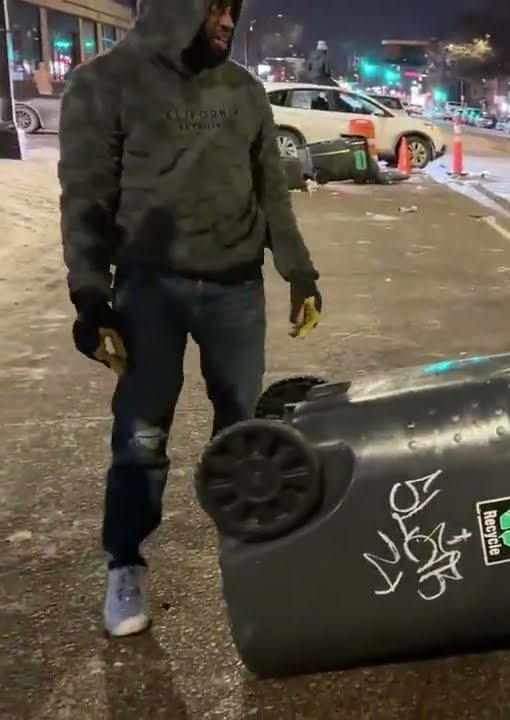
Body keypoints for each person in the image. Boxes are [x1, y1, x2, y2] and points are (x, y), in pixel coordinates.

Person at [58, 0, 322, 638]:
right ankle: (125, 563)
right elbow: (86, 197)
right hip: (151, 288)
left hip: (236, 288)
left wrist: (298, 270)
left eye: (232, 8)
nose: (227, 20)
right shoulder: (105, 84)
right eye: (213, 8)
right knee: (143, 433)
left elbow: (270, 190)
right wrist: (91, 298)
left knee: (243, 429)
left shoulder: (244, 89)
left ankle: (255, 554)